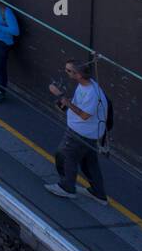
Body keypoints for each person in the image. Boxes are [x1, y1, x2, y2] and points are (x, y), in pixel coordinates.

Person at [45, 60, 110, 205]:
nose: (66, 72)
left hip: (81, 133)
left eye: (69, 71)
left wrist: (61, 97)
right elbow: (77, 106)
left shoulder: (92, 93)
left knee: (64, 155)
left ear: (78, 74)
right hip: (87, 132)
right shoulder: (84, 85)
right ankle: (98, 193)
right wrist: (64, 103)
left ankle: (67, 187)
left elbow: (85, 115)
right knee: (89, 162)